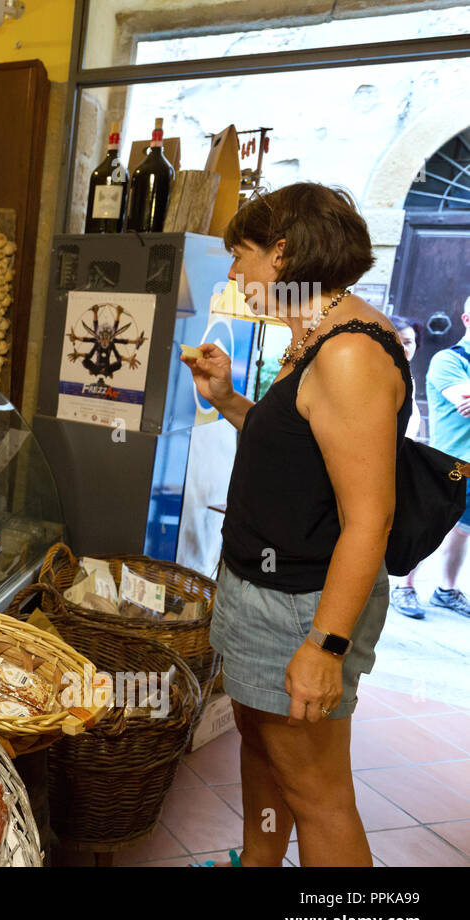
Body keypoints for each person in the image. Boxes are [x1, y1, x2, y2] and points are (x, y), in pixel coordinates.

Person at [183, 183, 410, 867]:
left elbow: (370, 519)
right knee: (261, 748)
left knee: (318, 794)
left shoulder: (349, 353)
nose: (234, 275)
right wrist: (227, 399)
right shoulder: (311, 336)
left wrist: (326, 647)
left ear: (281, 254)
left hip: (301, 606)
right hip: (263, 593)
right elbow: (299, 452)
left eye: (241, 256)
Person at [420, 295, 470, 617]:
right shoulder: (448, 360)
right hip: (450, 462)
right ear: (467, 321)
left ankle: (446, 590)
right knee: (427, 526)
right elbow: (464, 403)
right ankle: (405, 586)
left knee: (464, 530)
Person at [387, 316, 428, 618]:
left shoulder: (408, 376)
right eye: (398, 340)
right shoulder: (379, 374)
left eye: (410, 341)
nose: (405, 347)